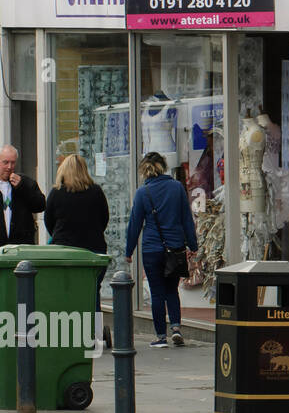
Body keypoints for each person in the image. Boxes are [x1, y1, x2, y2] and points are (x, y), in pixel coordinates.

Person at [125, 152, 198, 348]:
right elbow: (186, 220)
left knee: (157, 293)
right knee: (171, 290)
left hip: (151, 249)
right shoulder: (177, 188)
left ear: (144, 170)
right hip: (175, 247)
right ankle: (175, 328)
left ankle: (160, 336)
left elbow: (135, 224)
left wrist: (128, 250)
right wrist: (193, 245)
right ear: (163, 166)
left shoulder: (143, 193)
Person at [44, 154, 111, 341]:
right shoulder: (96, 192)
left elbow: (49, 222)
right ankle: (95, 333)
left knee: (66, 291)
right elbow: (104, 219)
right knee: (92, 291)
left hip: (65, 252)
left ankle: (68, 331)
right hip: (94, 250)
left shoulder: (56, 193)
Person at [0, 144, 46, 245]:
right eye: (5, 162)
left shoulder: (25, 181)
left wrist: (23, 186)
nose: (9, 167)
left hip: (21, 245)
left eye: (13, 163)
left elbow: (40, 205)